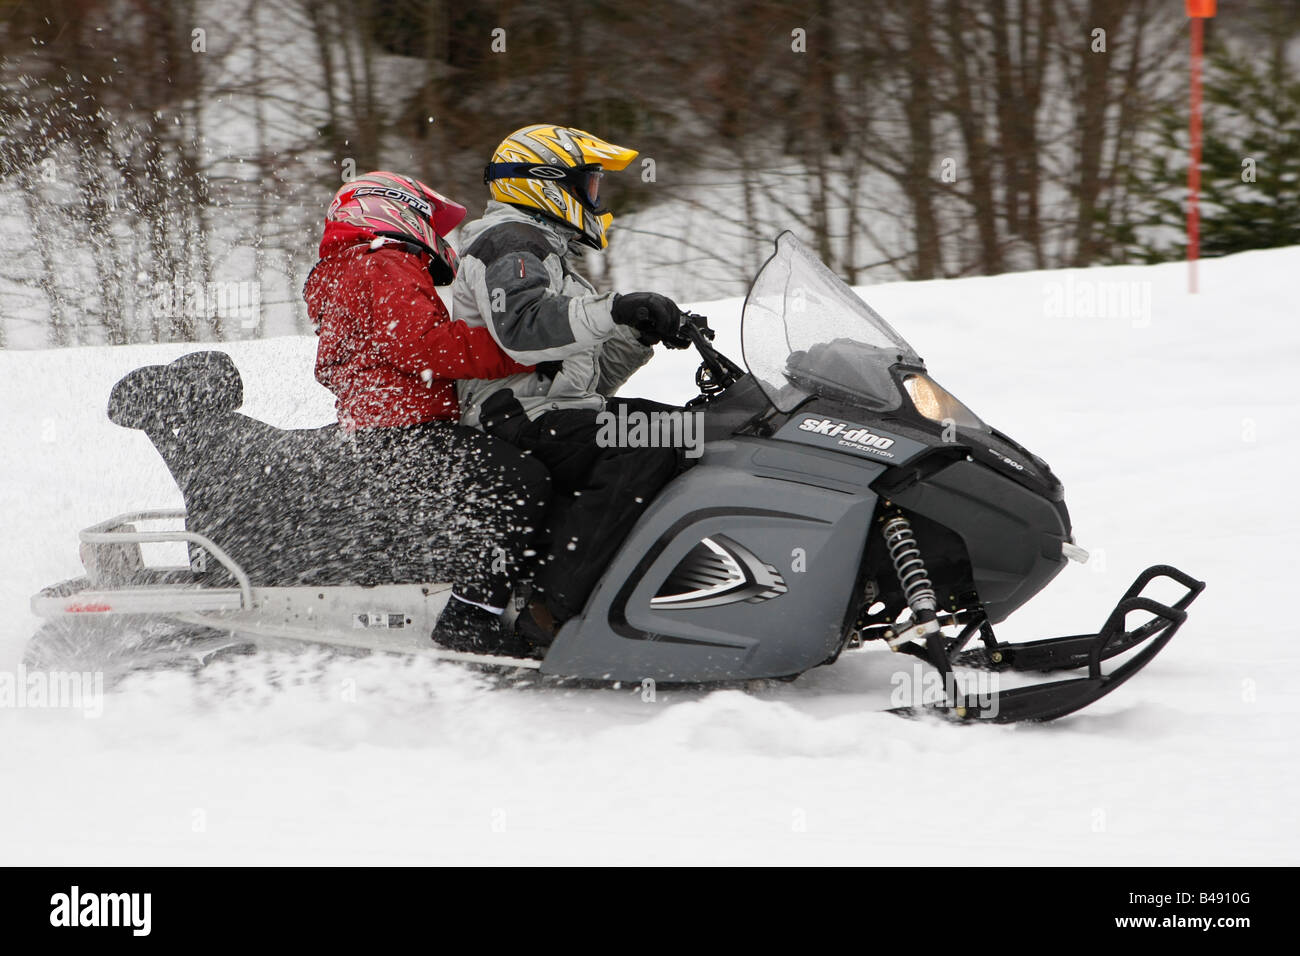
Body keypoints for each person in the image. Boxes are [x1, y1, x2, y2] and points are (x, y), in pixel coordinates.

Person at [450, 125, 692, 646]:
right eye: (590, 183)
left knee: (689, 429)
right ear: (547, 182)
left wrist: (636, 333)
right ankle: (552, 610)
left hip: (550, 410)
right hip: (513, 417)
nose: (597, 197)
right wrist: (615, 308)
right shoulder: (510, 244)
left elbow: (587, 379)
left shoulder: (548, 254)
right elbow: (524, 328)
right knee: (654, 440)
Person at [303, 171, 551, 655]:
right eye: (426, 219)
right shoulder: (383, 263)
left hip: (380, 432)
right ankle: (471, 616)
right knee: (525, 481)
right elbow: (426, 345)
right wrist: (526, 348)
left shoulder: (348, 269)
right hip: (404, 433)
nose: (436, 235)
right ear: (387, 210)